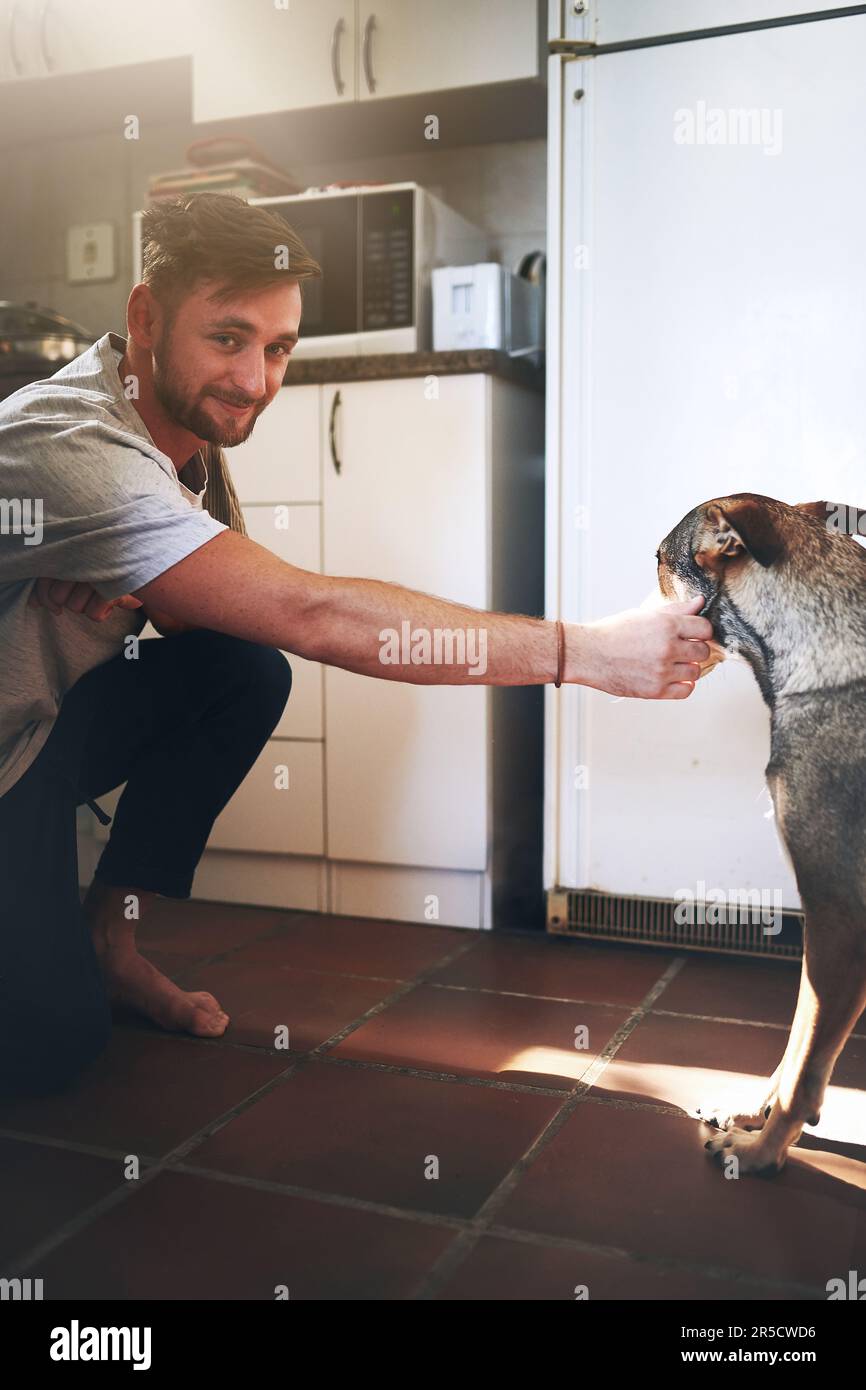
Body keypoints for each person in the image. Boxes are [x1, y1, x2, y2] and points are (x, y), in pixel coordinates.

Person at [0, 192, 712, 1098]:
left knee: (238, 673)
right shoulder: (77, 448)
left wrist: (138, 573)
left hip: (42, 728)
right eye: (227, 339)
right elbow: (311, 614)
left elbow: (213, 618)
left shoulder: (177, 428)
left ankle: (108, 941)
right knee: (51, 1051)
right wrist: (586, 652)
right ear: (145, 317)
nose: (256, 381)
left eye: (278, 347)